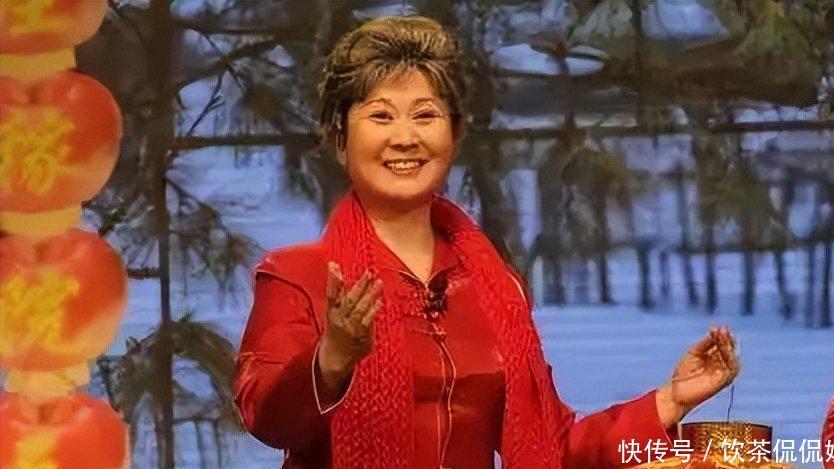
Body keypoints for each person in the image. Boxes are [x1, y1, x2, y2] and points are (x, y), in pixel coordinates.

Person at [233, 16, 740, 469]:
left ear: (454, 134)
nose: (405, 137)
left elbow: (553, 449)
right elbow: (267, 419)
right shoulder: (299, 275)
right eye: (381, 116)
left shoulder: (496, 287)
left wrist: (670, 401)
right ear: (340, 135)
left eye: (425, 115)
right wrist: (332, 359)